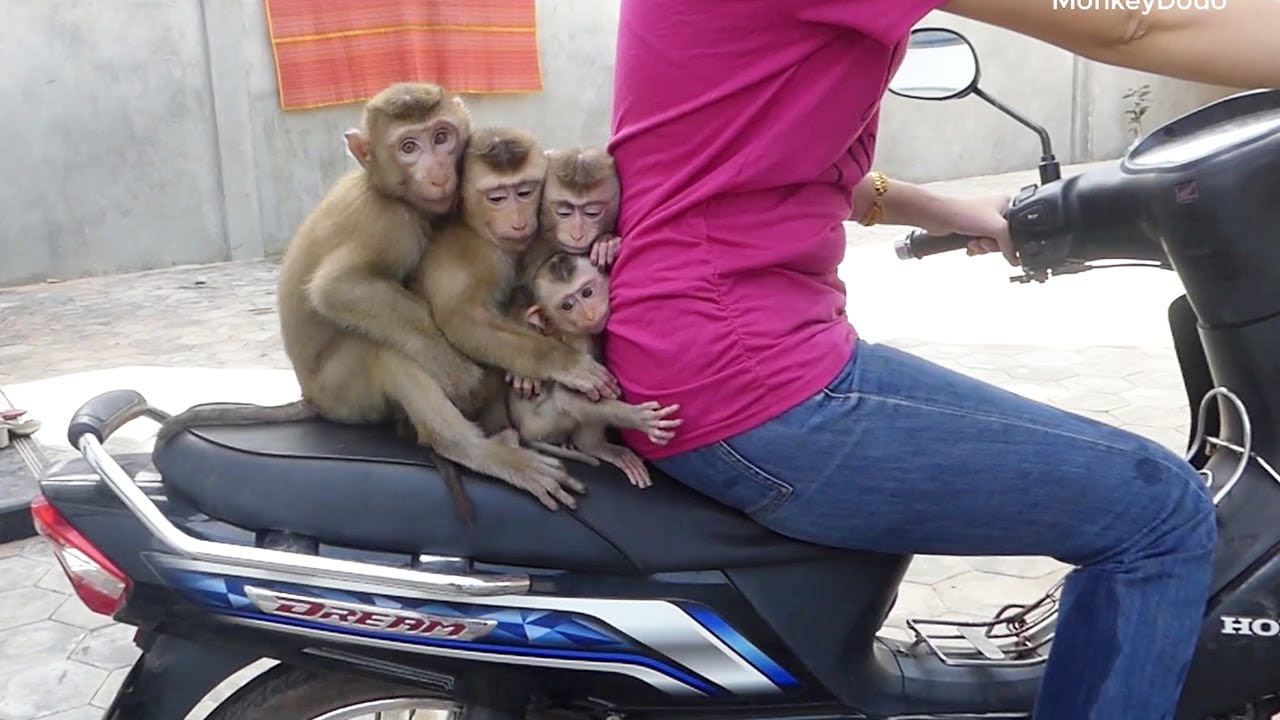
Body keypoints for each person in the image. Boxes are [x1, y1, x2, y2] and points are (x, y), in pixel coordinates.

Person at [602, 1, 1280, 718]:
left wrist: (968, 214)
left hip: (690, 351)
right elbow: (1133, 21)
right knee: (1161, 510)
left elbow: (783, 165)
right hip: (749, 374)